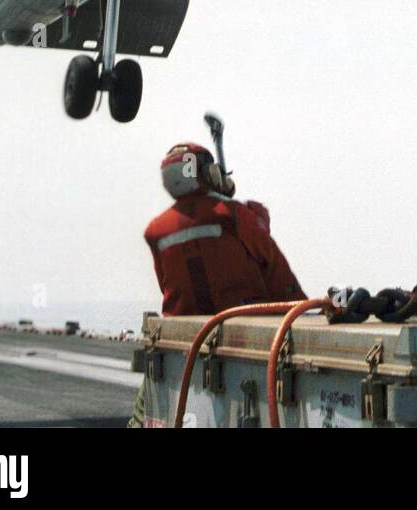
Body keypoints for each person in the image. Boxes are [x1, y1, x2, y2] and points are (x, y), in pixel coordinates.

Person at [128, 141, 303, 427]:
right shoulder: (233, 214)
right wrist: (300, 310)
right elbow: (273, 267)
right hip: (246, 336)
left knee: (145, 412)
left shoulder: (156, 231)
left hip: (183, 341)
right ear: (207, 172)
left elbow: (167, 285)